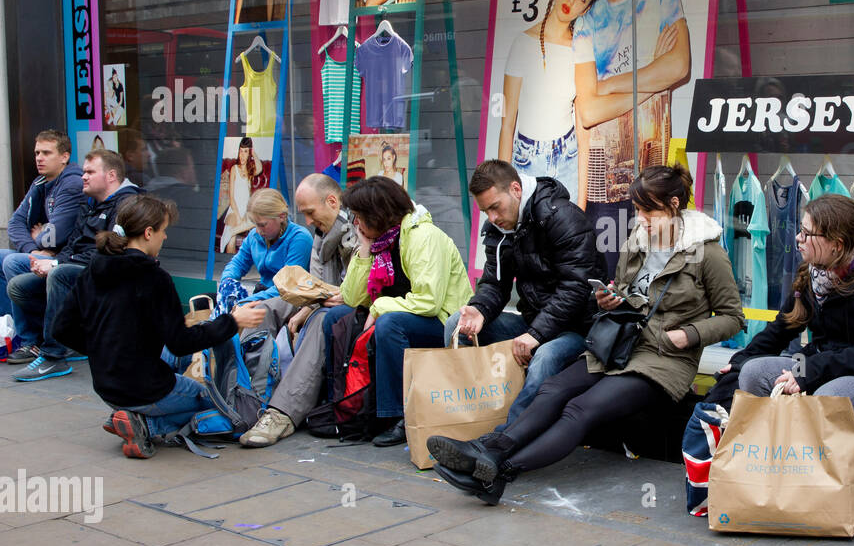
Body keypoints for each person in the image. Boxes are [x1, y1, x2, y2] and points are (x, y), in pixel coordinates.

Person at [427, 164, 744, 504]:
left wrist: (689, 334)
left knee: (580, 408)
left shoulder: (707, 253)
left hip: (662, 360)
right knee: (553, 389)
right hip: (618, 344)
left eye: (648, 210)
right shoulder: (638, 241)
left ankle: (500, 472)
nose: (641, 218)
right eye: (638, 209)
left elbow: (732, 318)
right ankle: (487, 449)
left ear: (675, 204)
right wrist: (608, 300)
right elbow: (623, 292)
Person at [720, 194, 854, 524]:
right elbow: (783, 327)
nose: (797, 238)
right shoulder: (815, 273)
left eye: (806, 233)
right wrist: (742, 358)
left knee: (829, 399)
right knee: (755, 374)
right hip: (826, 365)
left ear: (836, 243)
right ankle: (774, 467)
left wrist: (809, 370)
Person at [52, 194, 267, 459]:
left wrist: (101, 349)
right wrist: (232, 322)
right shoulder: (154, 278)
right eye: (163, 231)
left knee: (169, 367)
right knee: (208, 400)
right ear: (148, 232)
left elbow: (61, 328)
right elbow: (180, 342)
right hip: (144, 387)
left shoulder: (92, 270)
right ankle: (144, 424)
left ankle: (128, 417)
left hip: (106, 384)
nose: (165, 238)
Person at [573, 0, 691, 274]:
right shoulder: (587, 18)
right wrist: (651, 78)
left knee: (659, 277)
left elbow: (679, 66)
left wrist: (606, 84)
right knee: (609, 285)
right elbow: (589, 111)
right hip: (603, 181)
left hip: (654, 172)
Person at [443, 159, 604, 429]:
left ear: (516, 189)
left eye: (495, 207)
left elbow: (576, 288)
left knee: (546, 356)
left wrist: (536, 334)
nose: (492, 218)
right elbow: (495, 284)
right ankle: (469, 418)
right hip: (534, 323)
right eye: (485, 211)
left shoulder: (562, 217)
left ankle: (508, 437)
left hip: (578, 329)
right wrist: (479, 310)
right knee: (456, 326)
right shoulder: (499, 228)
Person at [337, 176, 472, 447]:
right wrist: (363, 251)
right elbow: (352, 298)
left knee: (389, 324)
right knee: (335, 317)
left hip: (444, 324)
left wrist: (379, 307)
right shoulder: (378, 243)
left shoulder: (423, 236)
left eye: (360, 217)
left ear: (377, 215)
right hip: (405, 317)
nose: (356, 224)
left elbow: (429, 302)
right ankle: (351, 408)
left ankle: (399, 416)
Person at [240, 175, 360, 447]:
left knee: (321, 319)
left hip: (351, 305)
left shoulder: (356, 227)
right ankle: (248, 396)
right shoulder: (320, 234)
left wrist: (313, 305)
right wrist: (307, 304)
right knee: (263, 308)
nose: (307, 221)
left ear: (331, 202)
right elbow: (316, 285)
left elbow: (355, 290)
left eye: (309, 212)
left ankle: (281, 412)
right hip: (325, 297)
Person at [8, 149, 141, 381]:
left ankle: (53, 356)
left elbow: (112, 253)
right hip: (82, 269)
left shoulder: (129, 203)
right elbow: (73, 245)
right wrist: (55, 261)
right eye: (84, 172)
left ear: (111, 176)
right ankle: (68, 340)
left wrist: (56, 266)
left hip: (113, 276)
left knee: (60, 275)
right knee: (19, 286)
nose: (83, 176)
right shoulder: (90, 201)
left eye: (90, 172)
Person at [499, 0, 604, 207]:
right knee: (528, 244)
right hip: (526, 161)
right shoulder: (522, 43)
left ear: (586, 8)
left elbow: (583, 131)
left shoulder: (581, 47)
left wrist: (581, 201)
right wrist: (503, 190)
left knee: (564, 244)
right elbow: (507, 125)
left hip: (567, 157)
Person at [1, 131, 85, 330]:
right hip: (43, 253)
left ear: (64, 157)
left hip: (66, 258)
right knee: (2, 256)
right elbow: (15, 223)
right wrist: (32, 249)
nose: (39, 158)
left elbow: (54, 237)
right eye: (37, 153)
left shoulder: (72, 183)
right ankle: (10, 327)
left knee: (13, 261)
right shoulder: (40, 183)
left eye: (46, 153)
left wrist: (41, 236)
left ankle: (30, 336)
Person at [217, 188, 313, 311]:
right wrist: (227, 282)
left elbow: (287, 286)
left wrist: (245, 302)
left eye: (262, 225)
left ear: (282, 216)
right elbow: (238, 263)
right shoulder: (254, 236)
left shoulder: (300, 238)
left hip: (289, 299)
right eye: (254, 224)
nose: (258, 230)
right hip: (263, 293)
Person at [220, 137, 262, 253]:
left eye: (245, 152)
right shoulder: (234, 169)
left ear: (249, 154)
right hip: (235, 209)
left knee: (255, 220)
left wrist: (253, 153)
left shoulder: (250, 170)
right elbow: (231, 197)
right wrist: (238, 216)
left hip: (246, 210)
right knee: (231, 238)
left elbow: (259, 168)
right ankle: (230, 260)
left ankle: (231, 232)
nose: (242, 155)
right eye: (240, 151)